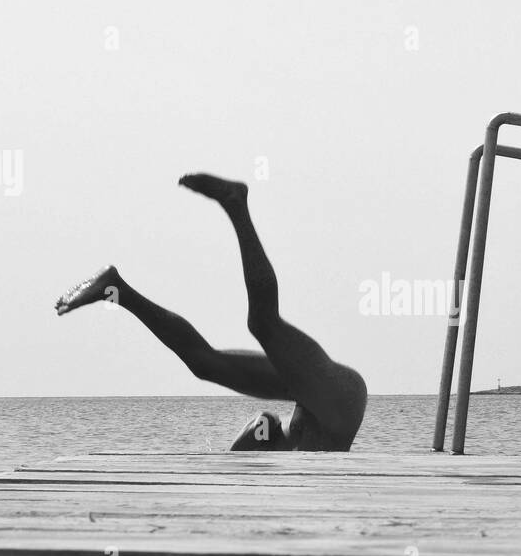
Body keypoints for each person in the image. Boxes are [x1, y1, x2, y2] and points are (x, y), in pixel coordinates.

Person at [54, 173, 367, 451]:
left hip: (328, 398)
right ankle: (119, 288)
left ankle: (121, 289)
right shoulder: (276, 437)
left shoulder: (275, 438)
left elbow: (258, 440)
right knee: (236, 342)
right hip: (332, 396)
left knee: (234, 343)